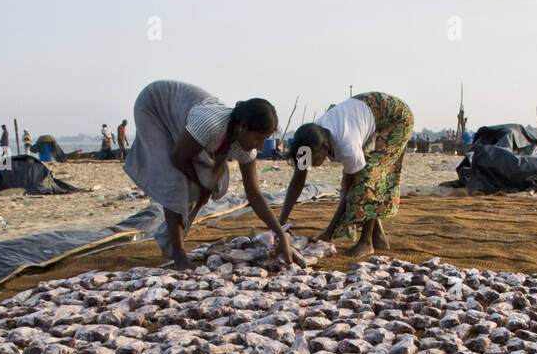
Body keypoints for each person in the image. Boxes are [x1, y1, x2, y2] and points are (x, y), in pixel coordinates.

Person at [123, 80, 300, 271]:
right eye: (258, 139)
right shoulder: (210, 124)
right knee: (174, 181)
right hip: (154, 105)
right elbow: (178, 158)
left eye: (264, 140)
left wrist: (281, 235)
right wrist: (202, 185)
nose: (259, 146)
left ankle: (174, 240)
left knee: (204, 184)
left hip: (184, 117)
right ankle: (179, 255)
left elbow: (254, 195)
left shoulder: (244, 147)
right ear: (242, 126)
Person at [279, 92, 414, 258]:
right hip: (367, 110)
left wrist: (329, 232)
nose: (311, 165)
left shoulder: (346, 145)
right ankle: (378, 237)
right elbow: (298, 180)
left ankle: (367, 242)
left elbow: (350, 189)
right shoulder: (309, 138)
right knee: (361, 180)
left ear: (325, 148)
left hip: (396, 117)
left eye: (314, 160)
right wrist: (281, 223)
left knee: (369, 179)